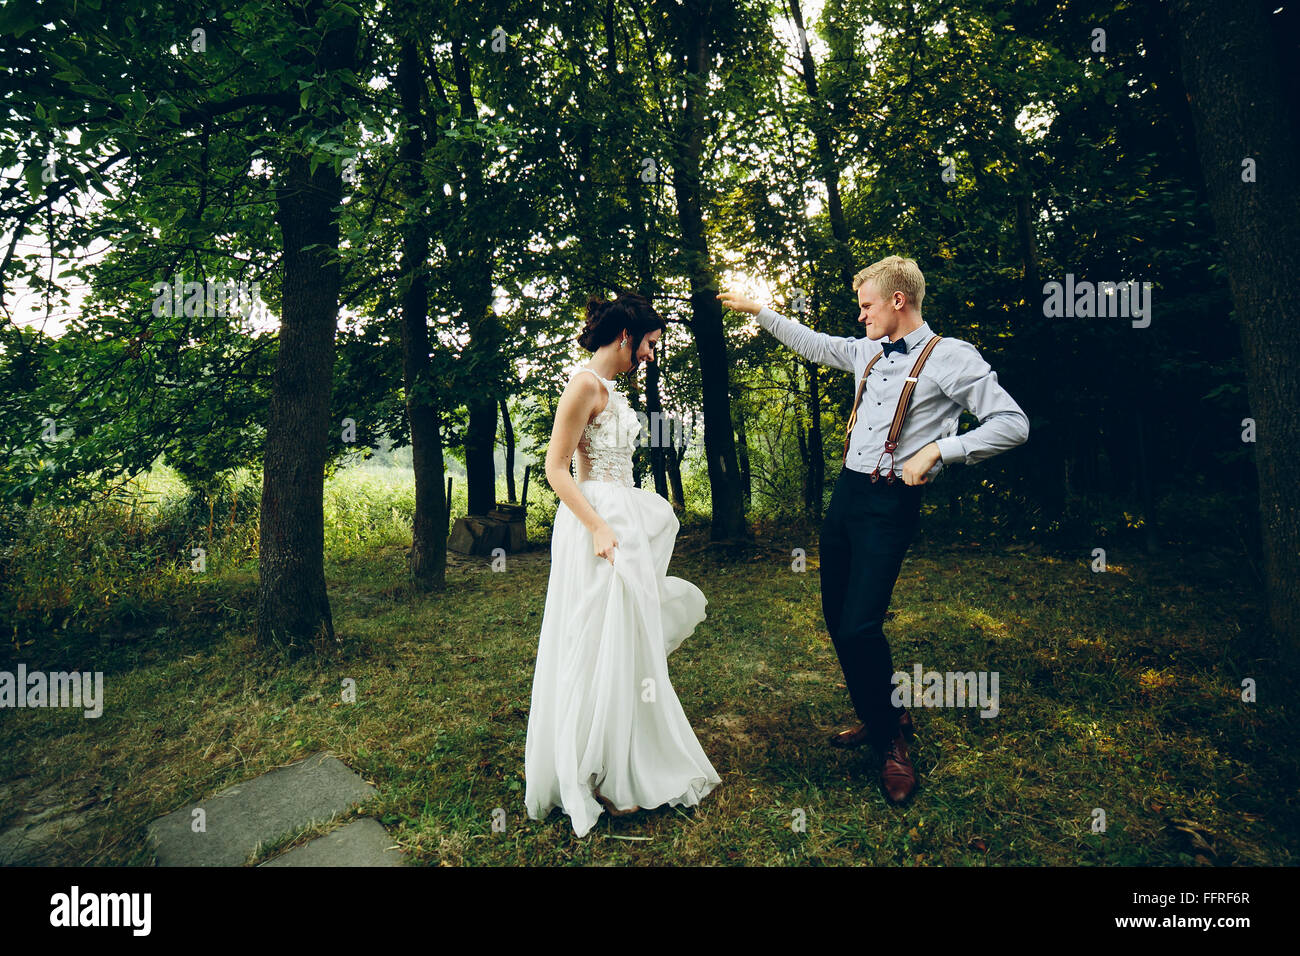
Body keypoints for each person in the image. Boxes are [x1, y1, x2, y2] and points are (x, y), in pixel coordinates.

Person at [718, 255, 1029, 804]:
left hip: (891, 506)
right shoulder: (867, 352)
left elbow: (1013, 424)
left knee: (862, 625)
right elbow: (813, 343)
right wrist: (760, 310)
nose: (860, 317)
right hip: (847, 497)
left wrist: (941, 448)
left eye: (866, 306)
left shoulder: (951, 357)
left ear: (898, 302)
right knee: (838, 619)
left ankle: (890, 744)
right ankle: (882, 713)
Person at [524, 291, 720, 837]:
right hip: (594, 524)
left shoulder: (610, 389)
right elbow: (556, 468)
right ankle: (591, 772)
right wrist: (598, 527)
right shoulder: (583, 385)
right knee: (592, 637)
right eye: (652, 345)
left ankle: (620, 762)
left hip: (621, 515)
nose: (653, 356)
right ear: (627, 338)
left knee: (626, 638)